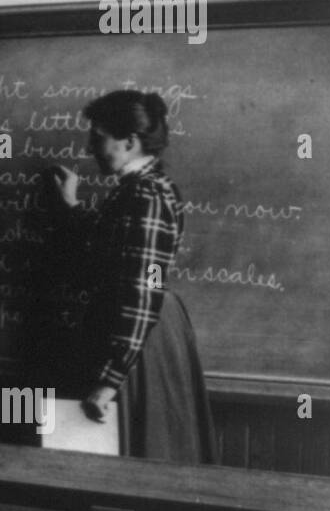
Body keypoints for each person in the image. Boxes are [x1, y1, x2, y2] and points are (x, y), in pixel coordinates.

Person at [48, 91, 217, 463]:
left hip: (138, 334)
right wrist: (72, 207)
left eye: (98, 137)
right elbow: (130, 257)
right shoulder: (142, 188)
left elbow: (143, 288)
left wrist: (109, 382)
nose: (91, 147)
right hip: (142, 330)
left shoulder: (145, 195)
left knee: (136, 453)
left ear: (129, 141)